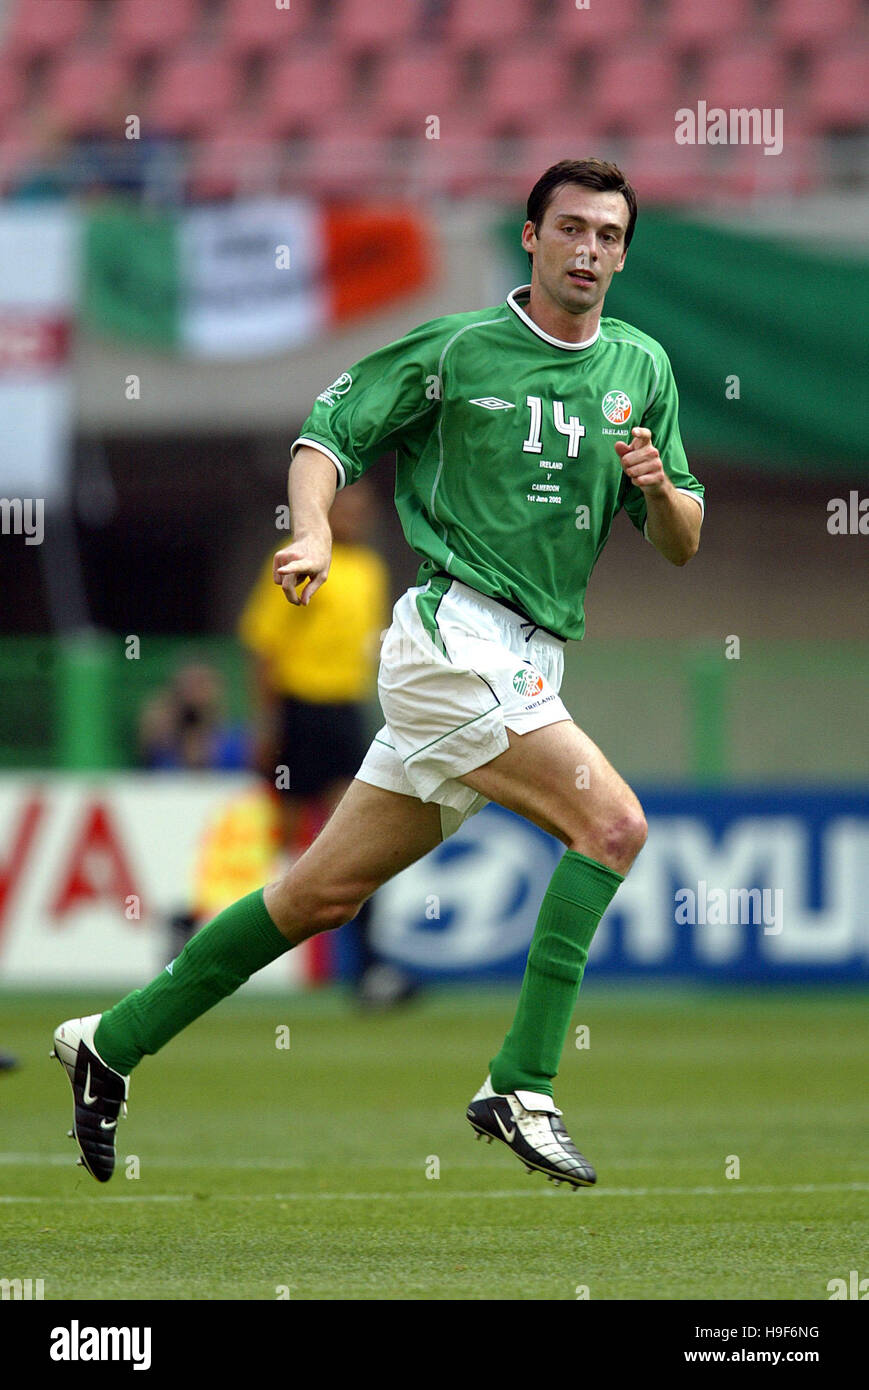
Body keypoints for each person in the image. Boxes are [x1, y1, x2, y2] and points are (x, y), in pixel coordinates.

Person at [52, 159, 704, 1189]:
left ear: (623, 252)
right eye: (569, 228)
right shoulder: (455, 348)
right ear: (528, 239)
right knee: (611, 825)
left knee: (318, 894)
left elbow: (680, 539)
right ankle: (521, 1081)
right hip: (453, 641)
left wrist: (661, 489)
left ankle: (111, 1042)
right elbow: (327, 434)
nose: (588, 250)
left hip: (530, 660)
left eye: (608, 235)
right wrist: (310, 529)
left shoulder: (642, 367)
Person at [238, 482, 412, 1004]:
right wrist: (267, 725)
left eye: (364, 509)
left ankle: (369, 970)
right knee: (279, 840)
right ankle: (197, 923)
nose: (357, 517)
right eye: (348, 508)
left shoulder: (371, 572)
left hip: (344, 713)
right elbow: (265, 648)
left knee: (358, 837)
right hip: (299, 711)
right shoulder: (295, 558)